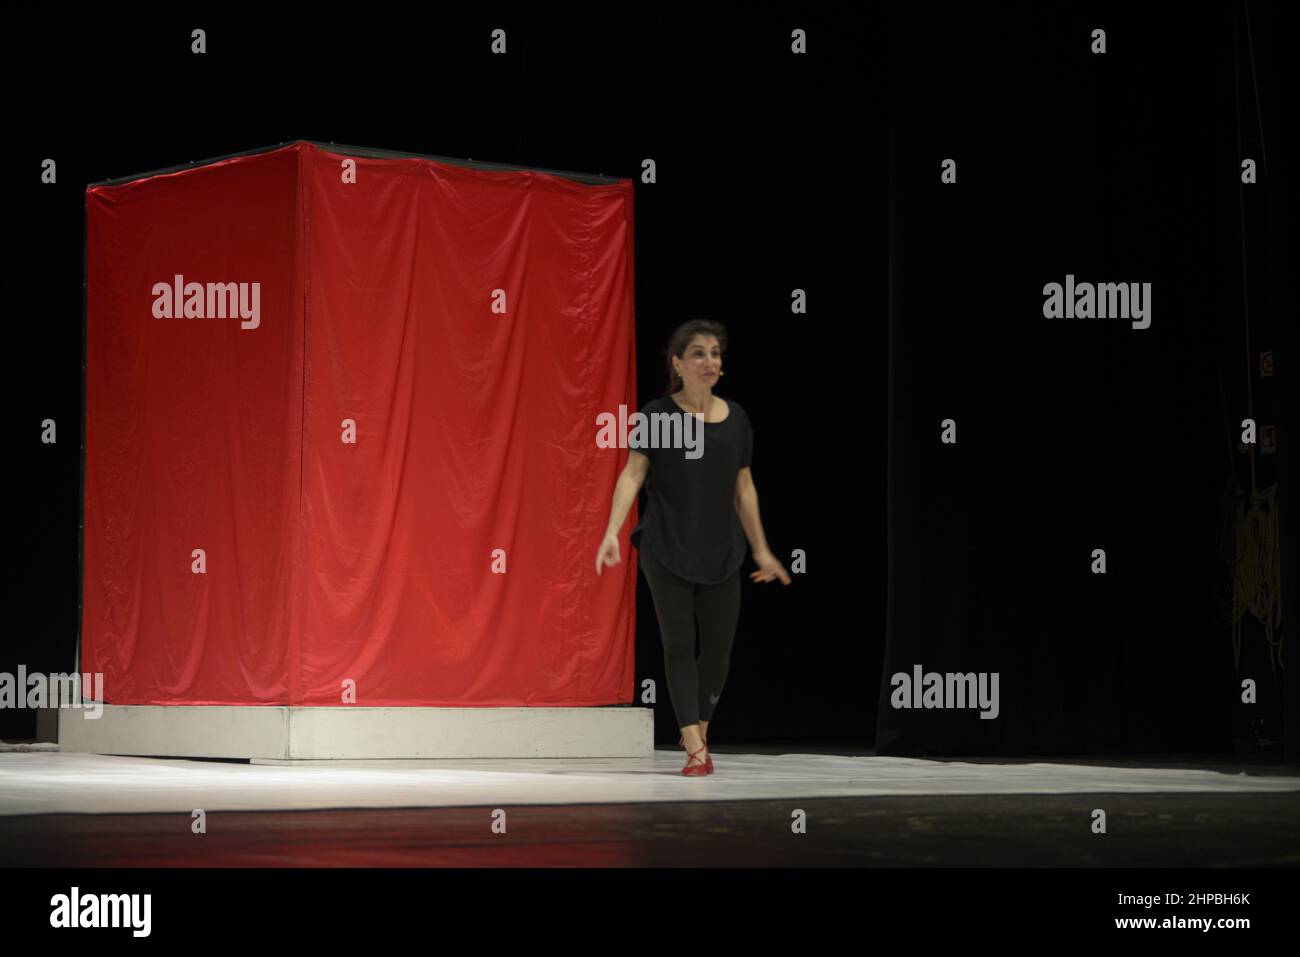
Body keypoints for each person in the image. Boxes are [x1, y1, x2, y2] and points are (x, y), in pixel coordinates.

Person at [595, 319, 790, 776]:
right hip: (667, 546)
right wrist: (611, 531)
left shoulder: (736, 418)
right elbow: (633, 474)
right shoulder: (658, 416)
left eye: (716, 353)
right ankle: (694, 747)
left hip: (722, 549)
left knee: (718, 652)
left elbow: (745, 488)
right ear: (677, 363)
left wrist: (761, 550)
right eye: (698, 353)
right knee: (679, 645)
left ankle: (700, 729)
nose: (710, 361)